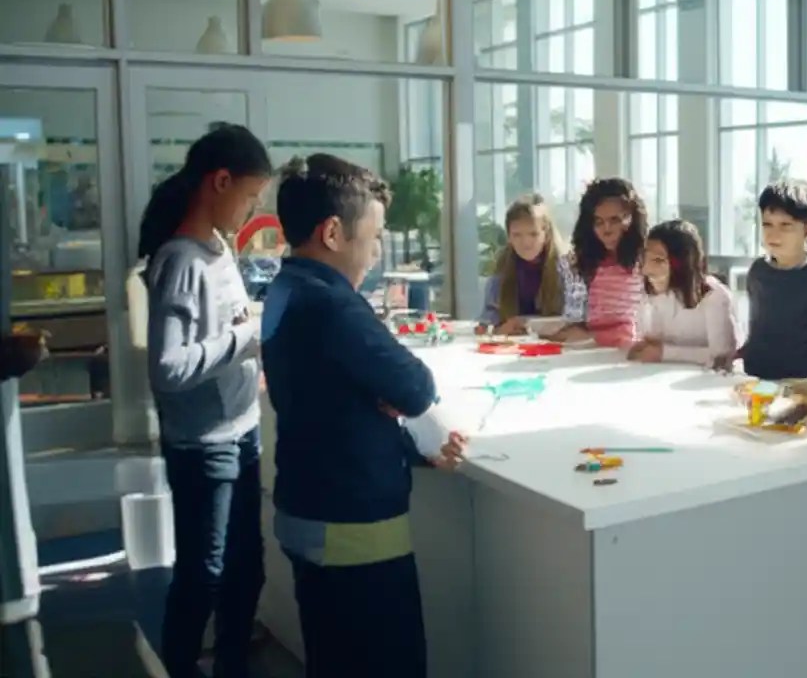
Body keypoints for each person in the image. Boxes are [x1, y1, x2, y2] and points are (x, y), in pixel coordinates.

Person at [261, 154, 465, 678]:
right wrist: (393, 397)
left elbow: (335, 391)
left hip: (307, 506)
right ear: (332, 232)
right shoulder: (332, 304)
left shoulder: (287, 287)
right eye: (373, 237)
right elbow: (415, 384)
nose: (376, 253)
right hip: (352, 528)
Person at [137, 123, 273, 678]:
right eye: (250, 197)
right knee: (205, 574)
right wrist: (245, 339)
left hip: (241, 431)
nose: (251, 210)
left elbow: (226, 329)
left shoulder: (218, 248)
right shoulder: (181, 261)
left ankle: (233, 666)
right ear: (220, 182)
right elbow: (168, 367)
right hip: (204, 446)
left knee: (247, 571)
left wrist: (245, 345)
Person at [731, 179, 807, 381]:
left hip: (798, 387)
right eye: (767, 224)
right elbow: (759, 335)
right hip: (753, 383)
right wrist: (735, 358)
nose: (773, 233)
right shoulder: (758, 271)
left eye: (785, 226)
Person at [629, 219, 740, 366]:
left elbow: (723, 356)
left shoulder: (714, 297)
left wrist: (665, 353)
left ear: (682, 264)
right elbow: (652, 339)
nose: (646, 269)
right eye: (645, 258)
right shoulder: (651, 292)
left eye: (658, 260)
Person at [554, 177, 649, 348]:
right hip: (585, 351)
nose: (606, 230)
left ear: (631, 218)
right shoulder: (576, 263)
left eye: (615, 220)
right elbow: (573, 320)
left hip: (628, 352)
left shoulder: (646, 261)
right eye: (598, 222)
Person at [478, 194, 586, 335]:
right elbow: (484, 326)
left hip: (557, 347)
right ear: (509, 236)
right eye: (517, 235)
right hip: (512, 349)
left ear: (546, 234)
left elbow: (579, 318)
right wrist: (499, 330)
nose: (525, 243)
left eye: (533, 234)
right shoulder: (501, 272)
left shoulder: (567, 269)